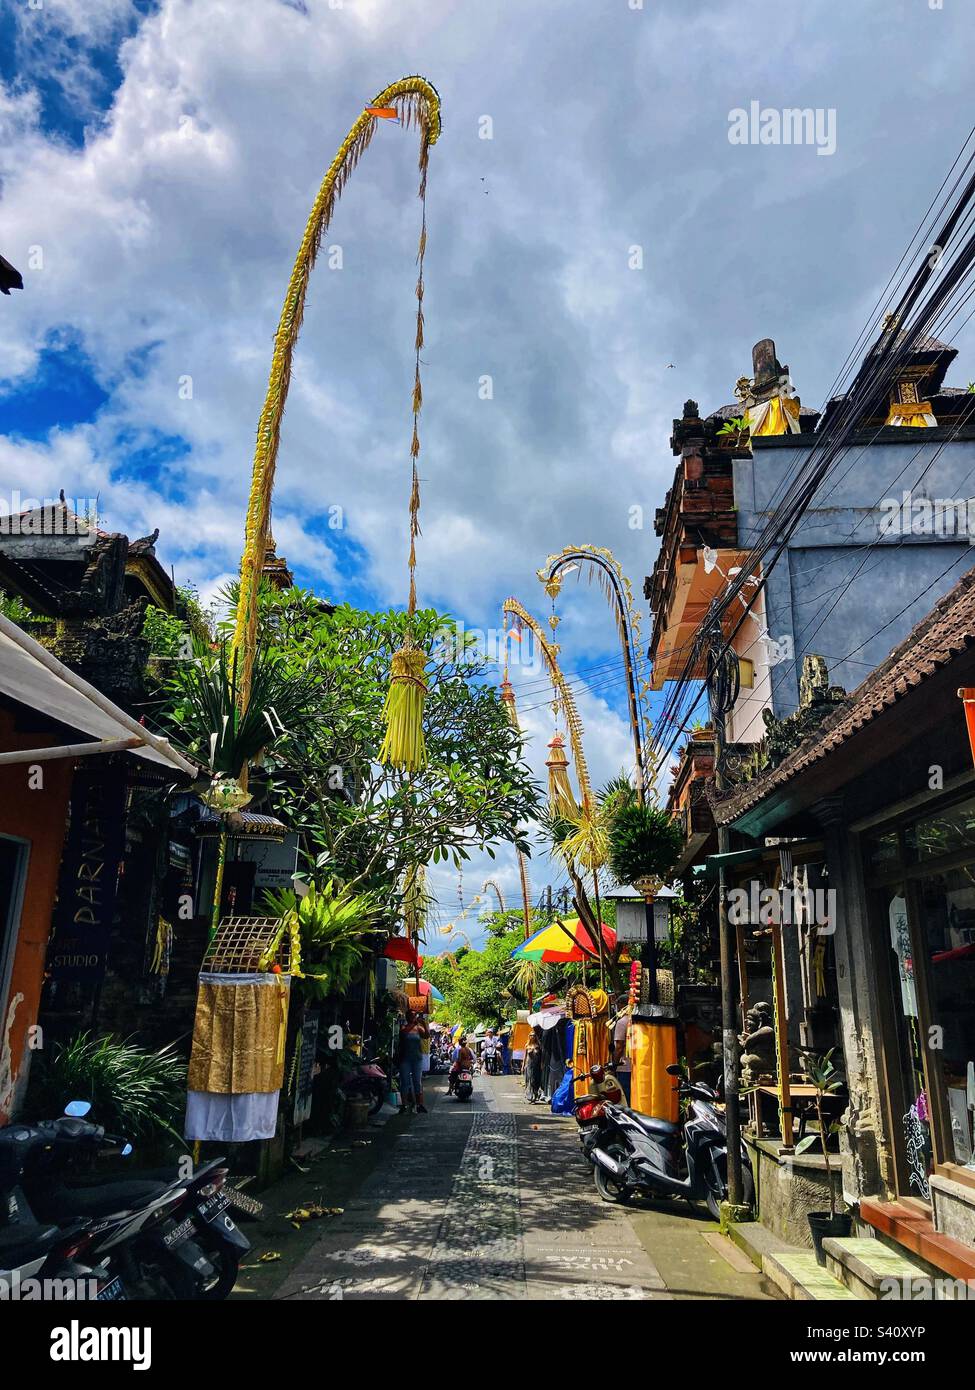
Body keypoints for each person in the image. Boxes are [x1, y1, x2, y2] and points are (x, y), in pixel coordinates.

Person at [398, 1009, 429, 1114]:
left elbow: (427, 1036)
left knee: (417, 1082)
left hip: (417, 1059)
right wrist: (413, 1024)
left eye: (414, 1015)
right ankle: (404, 1105)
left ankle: (420, 1105)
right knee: (405, 1082)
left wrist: (424, 1024)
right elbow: (403, 1034)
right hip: (405, 1059)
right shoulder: (403, 1027)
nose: (413, 1017)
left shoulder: (418, 1028)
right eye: (411, 1015)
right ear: (407, 1017)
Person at [612, 1004, 632, 1104]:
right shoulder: (636, 1020)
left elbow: (619, 1047)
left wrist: (614, 1065)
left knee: (626, 1100)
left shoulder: (622, 1022)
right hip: (638, 1066)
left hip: (624, 1067)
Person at [524, 1025, 545, 1104]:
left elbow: (542, 1056)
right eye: (531, 1035)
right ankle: (531, 1097)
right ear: (529, 1037)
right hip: (529, 1065)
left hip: (537, 1065)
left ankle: (535, 1095)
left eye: (533, 1035)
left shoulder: (538, 1046)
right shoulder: (527, 1045)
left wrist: (542, 1064)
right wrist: (523, 1066)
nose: (532, 1037)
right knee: (530, 1080)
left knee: (536, 1080)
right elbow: (525, 1056)